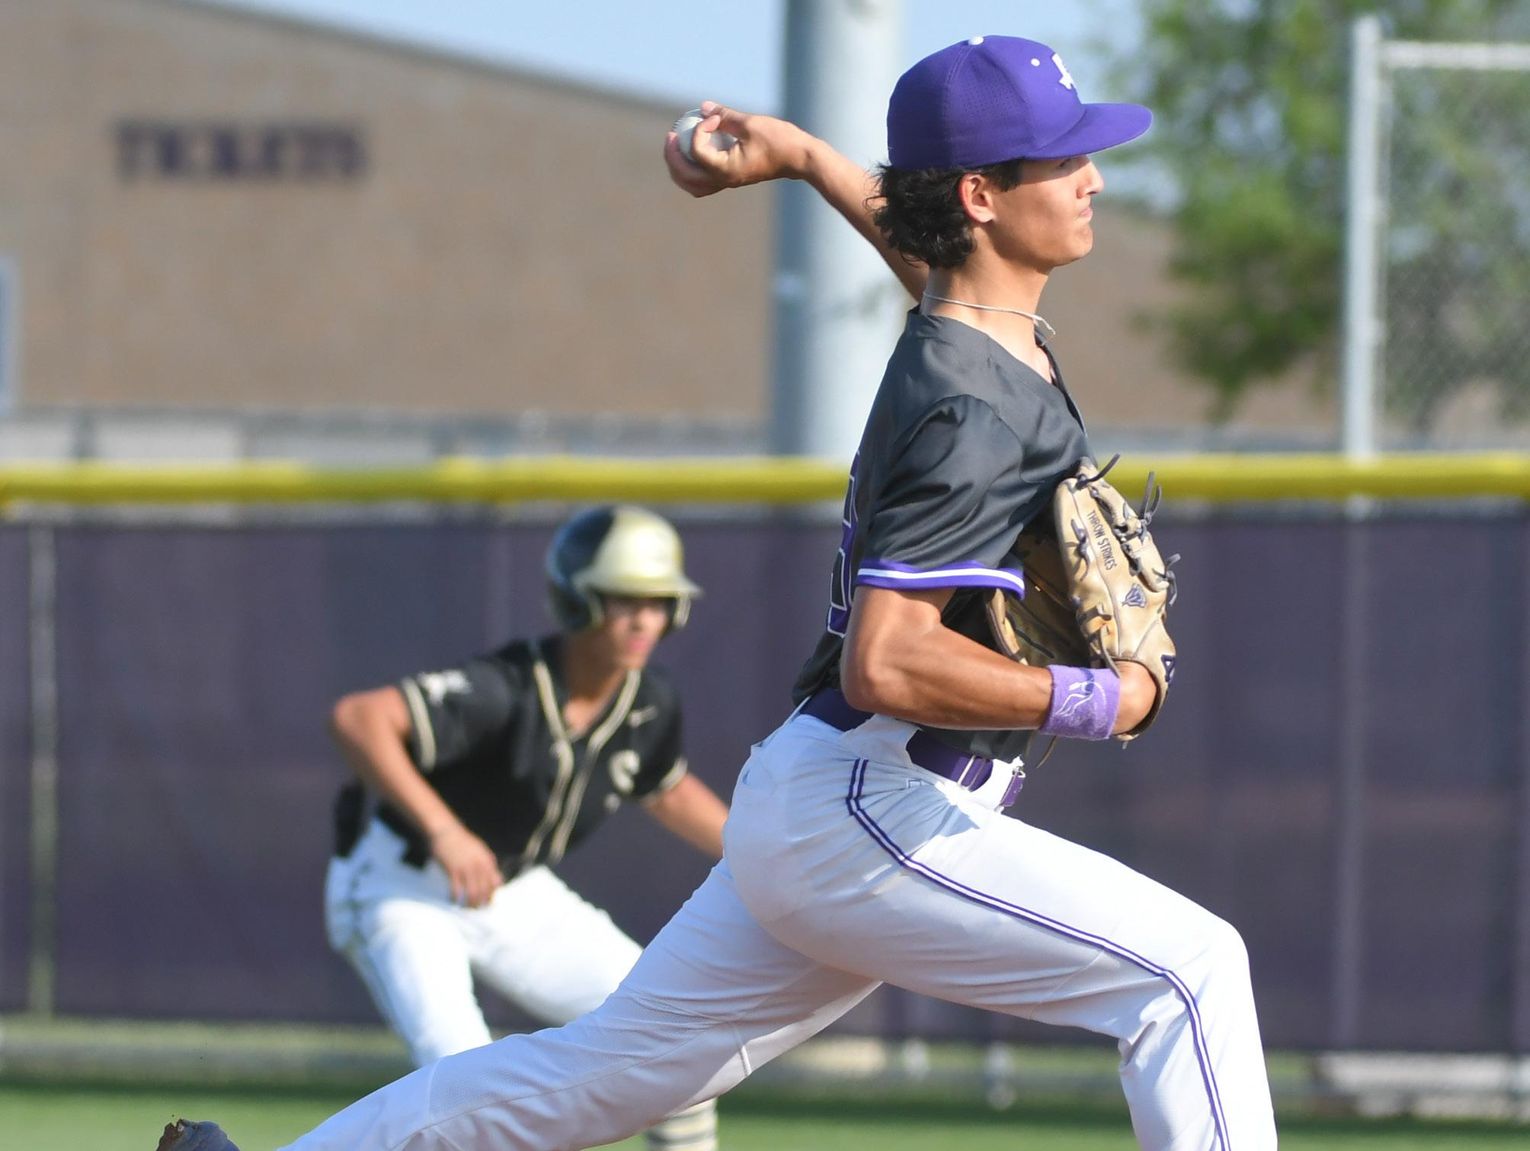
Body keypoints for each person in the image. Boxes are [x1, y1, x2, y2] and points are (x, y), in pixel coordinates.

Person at [158, 35, 1277, 1151]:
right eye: (1063, 160)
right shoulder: (970, 408)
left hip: (828, 799)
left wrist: (802, 155)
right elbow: (885, 659)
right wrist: (1101, 699)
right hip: (875, 808)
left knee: (599, 1077)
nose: (1092, 179)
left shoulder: (978, 332)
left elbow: (933, 253)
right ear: (982, 197)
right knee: (1188, 972)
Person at [319, 504, 729, 1151]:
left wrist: (758, 854)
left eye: (657, 602)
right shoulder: (506, 687)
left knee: (674, 1038)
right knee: (464, 1088)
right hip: (402, 889)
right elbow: (358, 718)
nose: (643, 620)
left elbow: (666, 789)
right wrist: (445, 830)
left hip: (511, 890)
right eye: (624, 599)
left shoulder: (649, 699)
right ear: (579, 600)